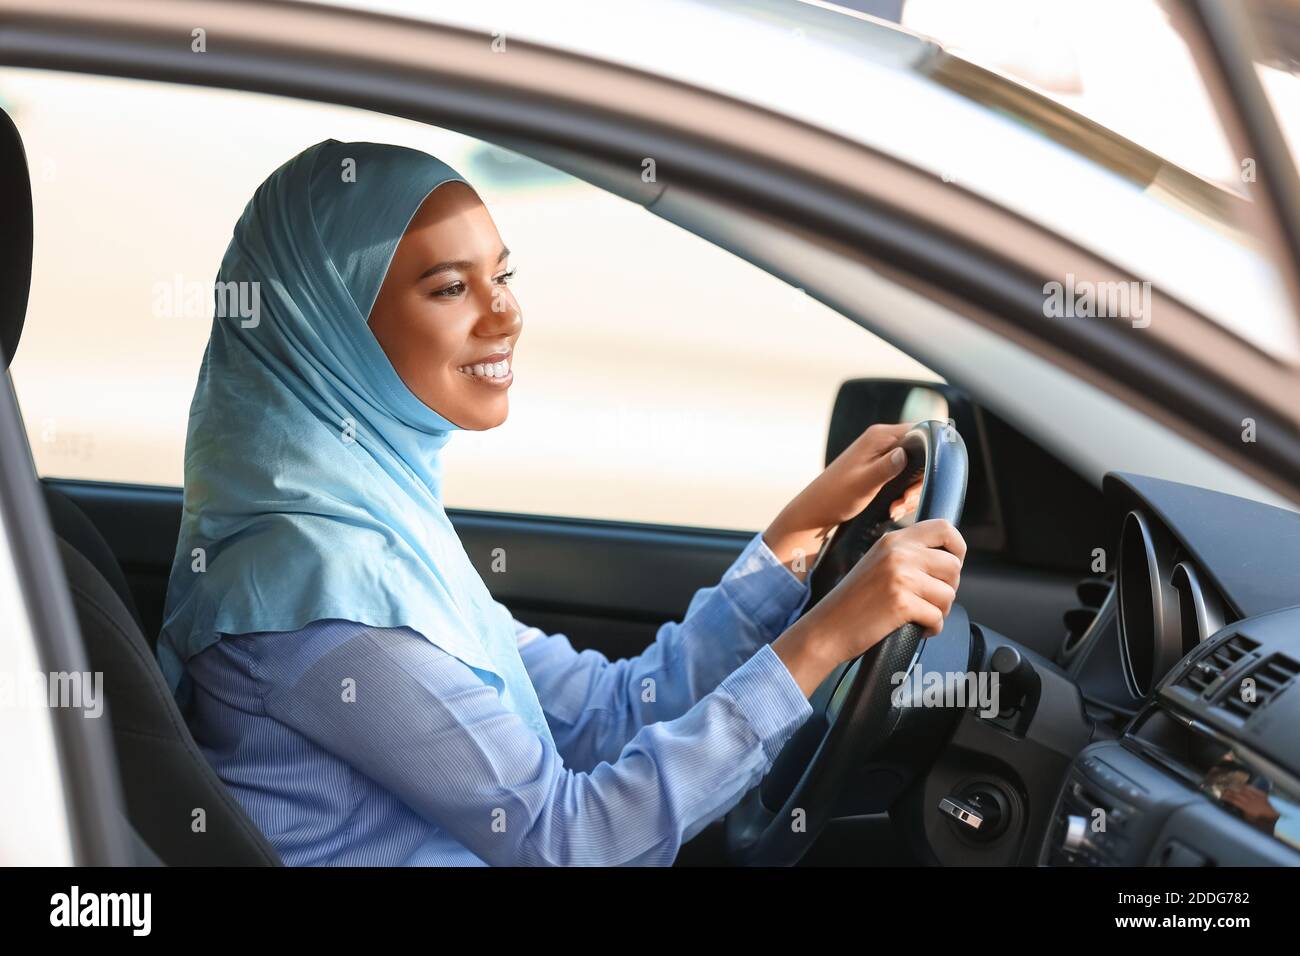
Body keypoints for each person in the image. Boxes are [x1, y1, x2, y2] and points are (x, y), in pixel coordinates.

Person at [156, 139, 965, 866]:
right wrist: (825, 640)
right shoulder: (318, 597)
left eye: (502, 275)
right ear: (330, 326)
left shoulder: (375, 533)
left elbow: (611, 710)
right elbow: (570, 840)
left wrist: (803, 535)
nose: (504, 313)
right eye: (449, 288)